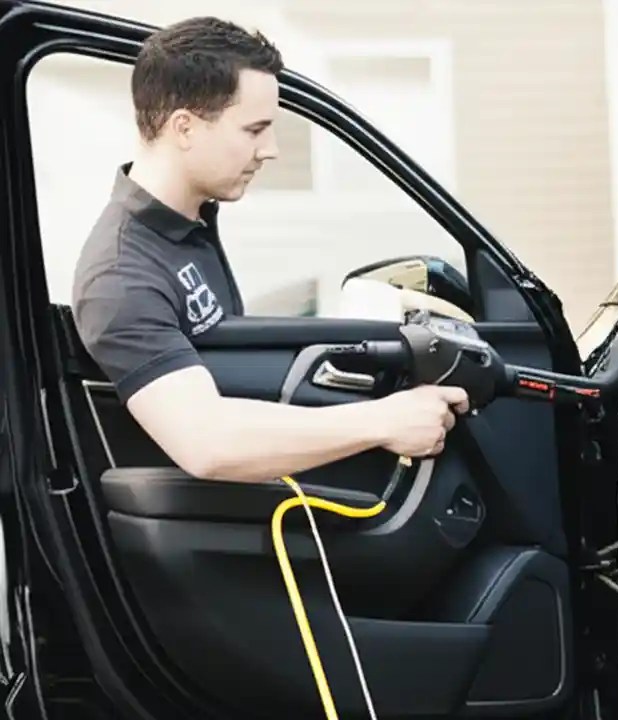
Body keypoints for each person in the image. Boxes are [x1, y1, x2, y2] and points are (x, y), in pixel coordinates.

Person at [71, 16, 468, 484]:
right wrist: (384, 422)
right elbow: (207, 443)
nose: (271, 149)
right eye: (254, 129)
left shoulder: (186, 224)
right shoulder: (121, 277)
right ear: (184, 128)